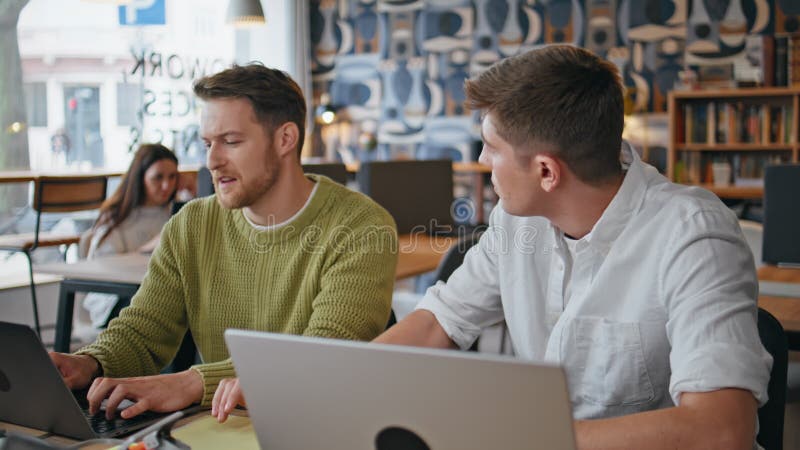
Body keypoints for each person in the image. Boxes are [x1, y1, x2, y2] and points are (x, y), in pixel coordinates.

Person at [370, 45, 769, 449]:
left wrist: (525, 438)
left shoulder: (694, 235)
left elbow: (721, 431)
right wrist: (347, 384)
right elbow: (439, 321)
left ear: (546, 171)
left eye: (492, 146)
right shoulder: (514, 222)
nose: (483, 159)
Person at [49, 64, 399, 422]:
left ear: (285, 139)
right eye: (207, 144)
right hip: (222, 427)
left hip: (319, 424)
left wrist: (193, 382)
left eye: (231, 141)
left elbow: (321, 353)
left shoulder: (363, 227)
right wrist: (90, 362)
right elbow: (144, 330)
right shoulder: (191, 224)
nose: (212, 161)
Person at [81, 143, 179, 330]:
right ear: (140, 178)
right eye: (158, 177)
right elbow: (103, 269)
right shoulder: (116, 217)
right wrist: (148, 248)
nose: (166, 185)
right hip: (115, 301)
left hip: (156, 295)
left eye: (172, 177)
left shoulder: (174, 214)